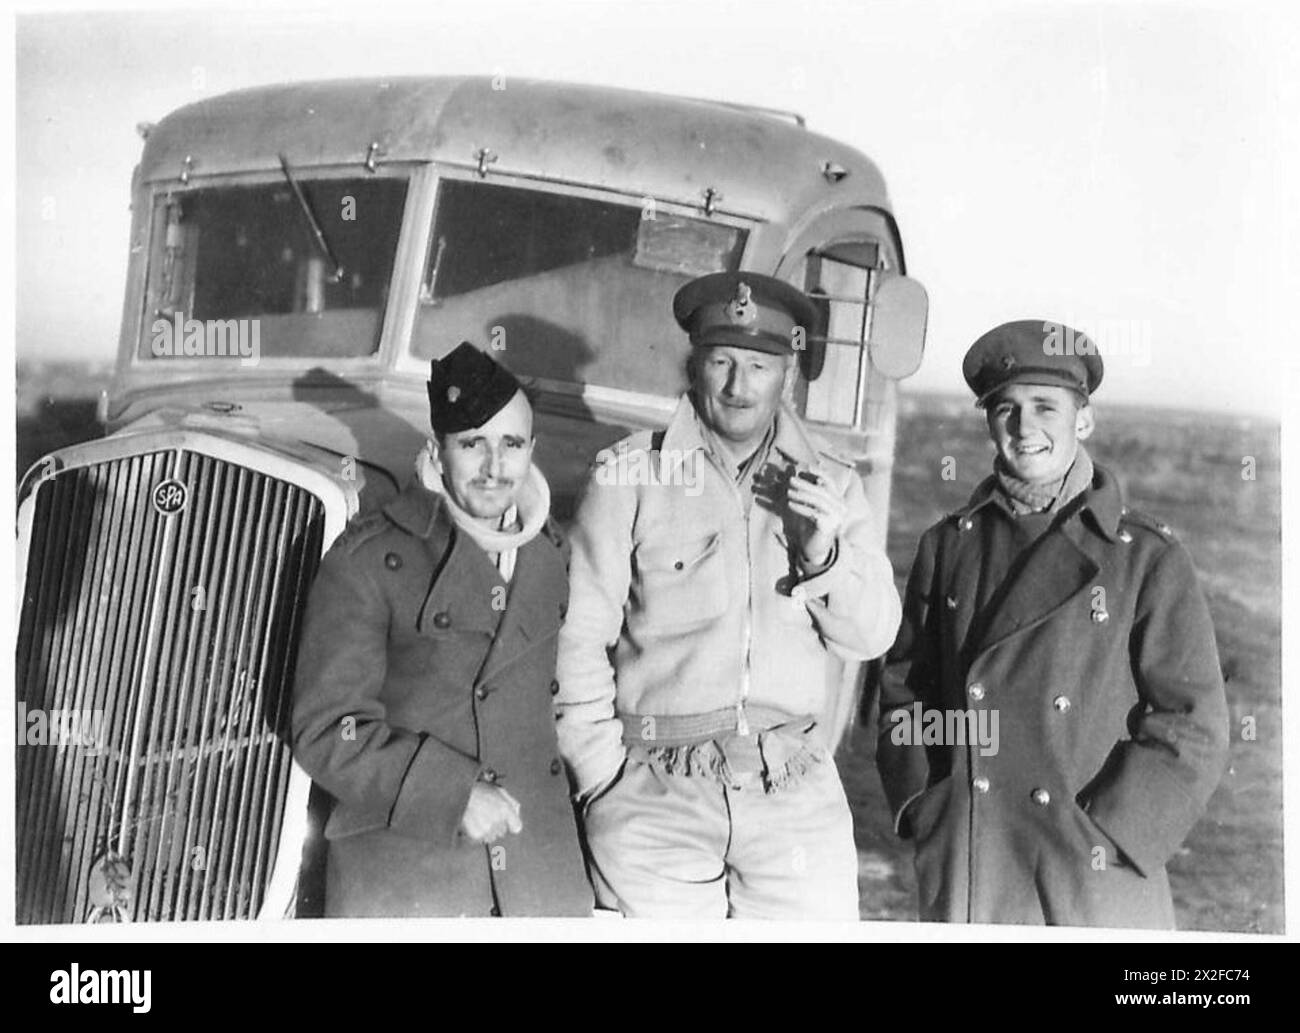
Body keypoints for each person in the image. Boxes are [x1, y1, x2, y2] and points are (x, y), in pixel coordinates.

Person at [556, 271, 902, 919]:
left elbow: (873, 633)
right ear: (694, 366)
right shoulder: (632, 472)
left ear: (788, 374)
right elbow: (577, 631)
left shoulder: (831, 483)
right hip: (653, 789)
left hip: (793, 791)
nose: (739, 385)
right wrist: (599, 772)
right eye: (721, 361)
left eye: (760, 364)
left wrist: (824, 554)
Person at [877, 320, 1229, 927]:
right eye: (1005, 409)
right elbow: (906, 690)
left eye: (1045, 407)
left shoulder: (1143, 555)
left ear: (1083, 420)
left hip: (1087, 868)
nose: (1024, 427)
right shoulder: (947, 546)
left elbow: (1192, 721)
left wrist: (1115, 831)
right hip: (973, 855)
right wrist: (927, 804)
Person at [291, 342, 592, 917]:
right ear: (437, 450)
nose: (494, 466)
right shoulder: (371, 557)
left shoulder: (550, 552)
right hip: (410, 865)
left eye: (511, 444)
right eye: (472, 444)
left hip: (535, 866)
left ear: (533, 450)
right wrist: (452, 794)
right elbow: (327, 728)